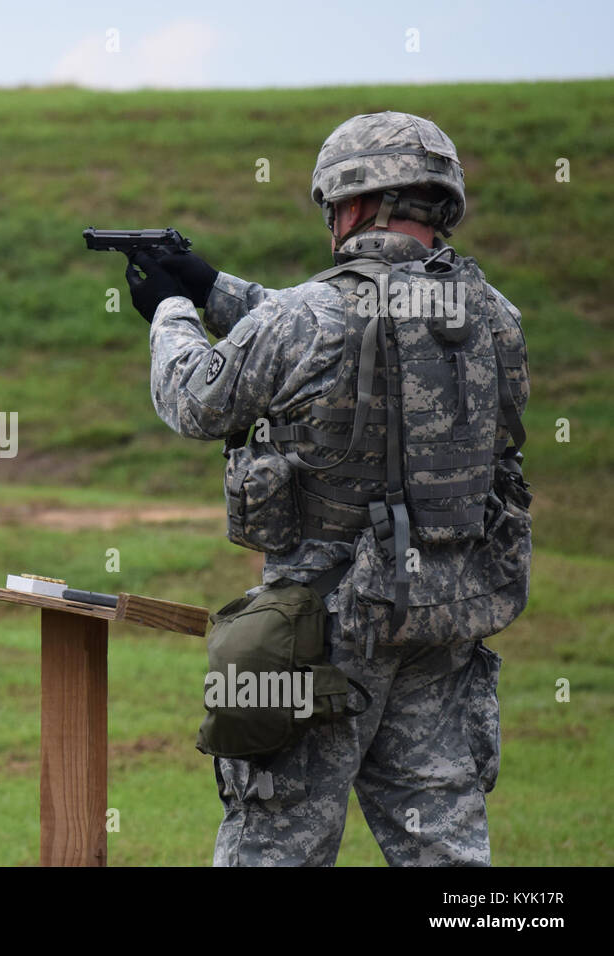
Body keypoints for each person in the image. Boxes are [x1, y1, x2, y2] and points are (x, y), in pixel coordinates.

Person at [125, 111, 532, 866]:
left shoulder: (302, 317)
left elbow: (194, 398)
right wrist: (216, 287)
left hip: (321, 630)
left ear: (348, 205)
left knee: (275, 841)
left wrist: (172, 312)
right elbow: (358, 325)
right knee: (442, 843)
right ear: (438, 202)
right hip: (443, 615)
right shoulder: (494, 316)